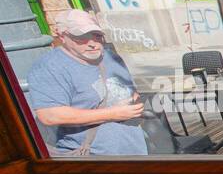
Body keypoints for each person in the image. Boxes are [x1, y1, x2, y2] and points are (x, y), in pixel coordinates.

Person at [26, 9, 147, 156]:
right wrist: (112, 114)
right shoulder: (50, 67)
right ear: (62, 35)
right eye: (81, 37)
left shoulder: (110, 57)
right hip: (93, 158)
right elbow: (50, 115)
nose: (92, 43)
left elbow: (129, 92)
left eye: (96, 36)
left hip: (134, 152)